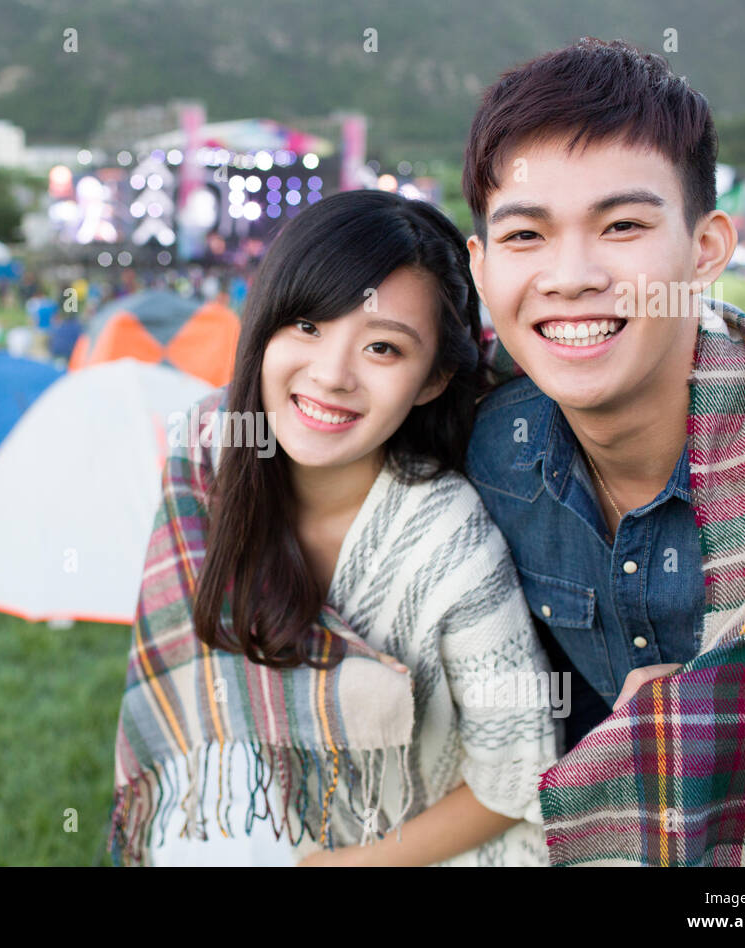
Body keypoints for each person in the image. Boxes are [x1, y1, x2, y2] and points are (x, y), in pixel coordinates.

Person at [462, 38, 745, 865]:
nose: (570, 275)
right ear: (479, 265)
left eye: (622, 226)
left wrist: (681, 725)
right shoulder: (476, 440)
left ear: (707, 248)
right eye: (525, 236)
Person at [110, 189, 560, 867]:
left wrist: (345, 865)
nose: (330, 375)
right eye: (308, 326)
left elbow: (517, 776)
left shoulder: (450, 542)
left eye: (382, 348)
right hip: (255, 808)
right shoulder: (208, 450)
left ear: (433, 379)